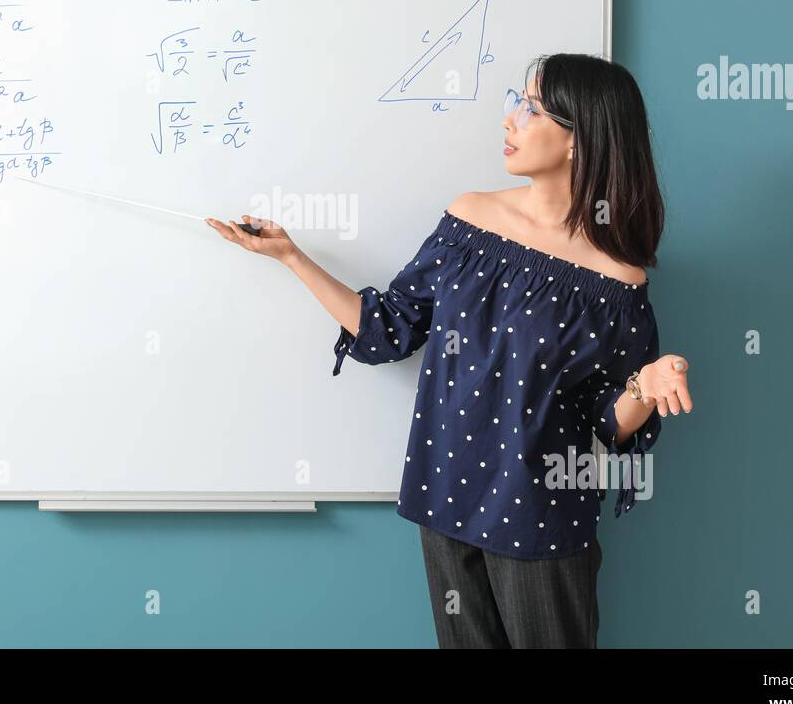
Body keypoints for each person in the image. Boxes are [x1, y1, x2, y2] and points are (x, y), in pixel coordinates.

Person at [205, 53, 693, 648]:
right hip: (447, 498)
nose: (511, 120)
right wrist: (291, 257)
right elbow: (389, 328)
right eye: (518, 99)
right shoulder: (469, 218)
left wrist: (646, 387)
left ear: (578, 139)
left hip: (541, 517)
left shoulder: (617, 280)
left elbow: (606, 421)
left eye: (532, 108)